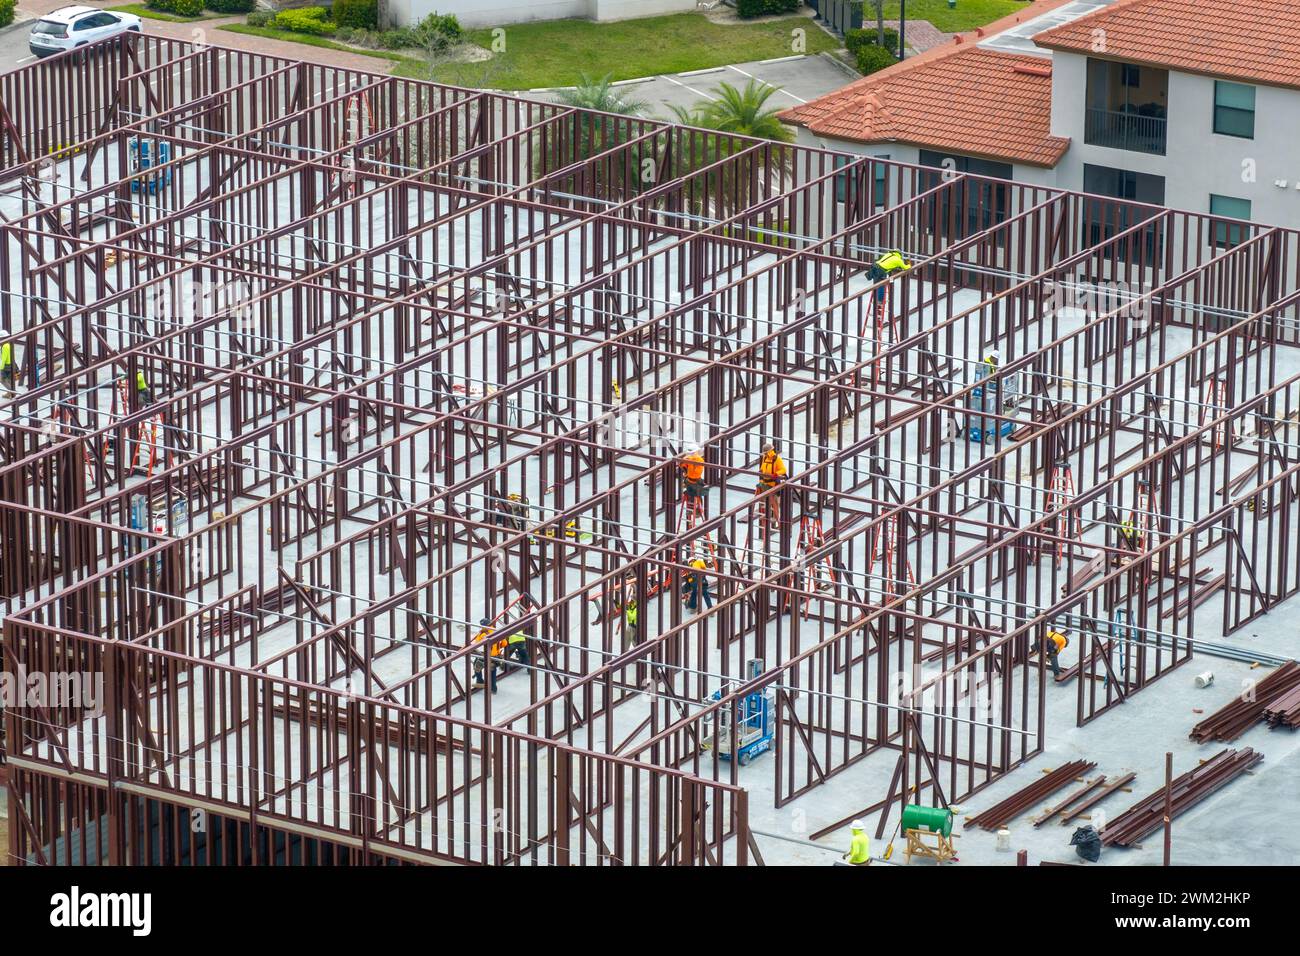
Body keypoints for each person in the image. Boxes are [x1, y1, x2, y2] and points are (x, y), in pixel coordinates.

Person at [471, 617, 506, 693]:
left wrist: (480, 634)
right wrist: (496, 649)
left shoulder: (483, 633)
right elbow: (504, 643)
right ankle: (493, 688)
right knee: (492, 671)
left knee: (476, 665)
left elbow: (477, 643)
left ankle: (480, 681)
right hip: (496, 656)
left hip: (486, 655)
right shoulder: (497, 631)